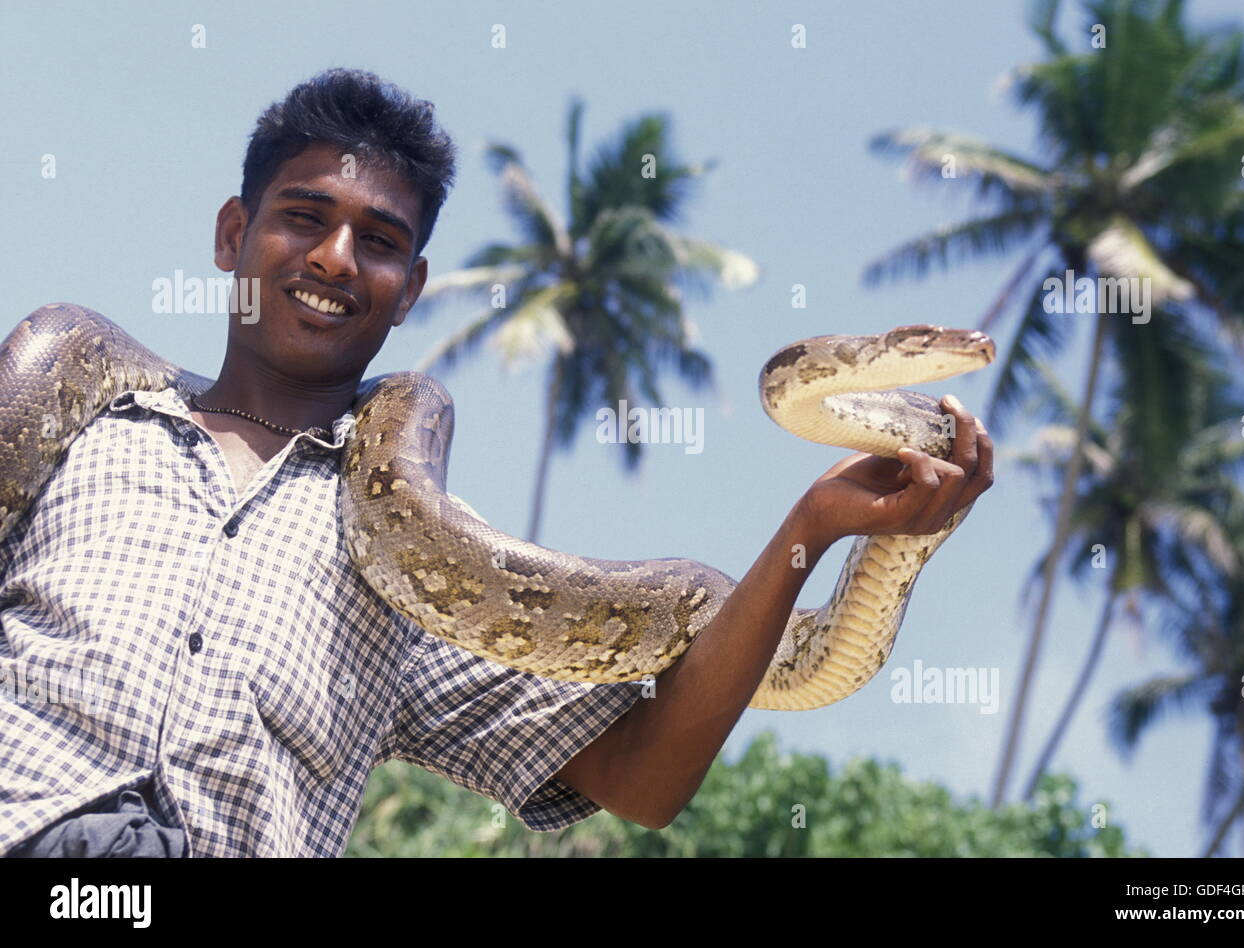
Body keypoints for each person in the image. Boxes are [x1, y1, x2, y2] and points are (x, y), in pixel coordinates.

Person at [0, 69, 993, 857]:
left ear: (412, 288)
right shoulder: (87, 424)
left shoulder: (413, 565)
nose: (337, 258)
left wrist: (810, 530)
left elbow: (643, 784)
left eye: (378, 240)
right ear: (233, 233)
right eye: (304, 216)